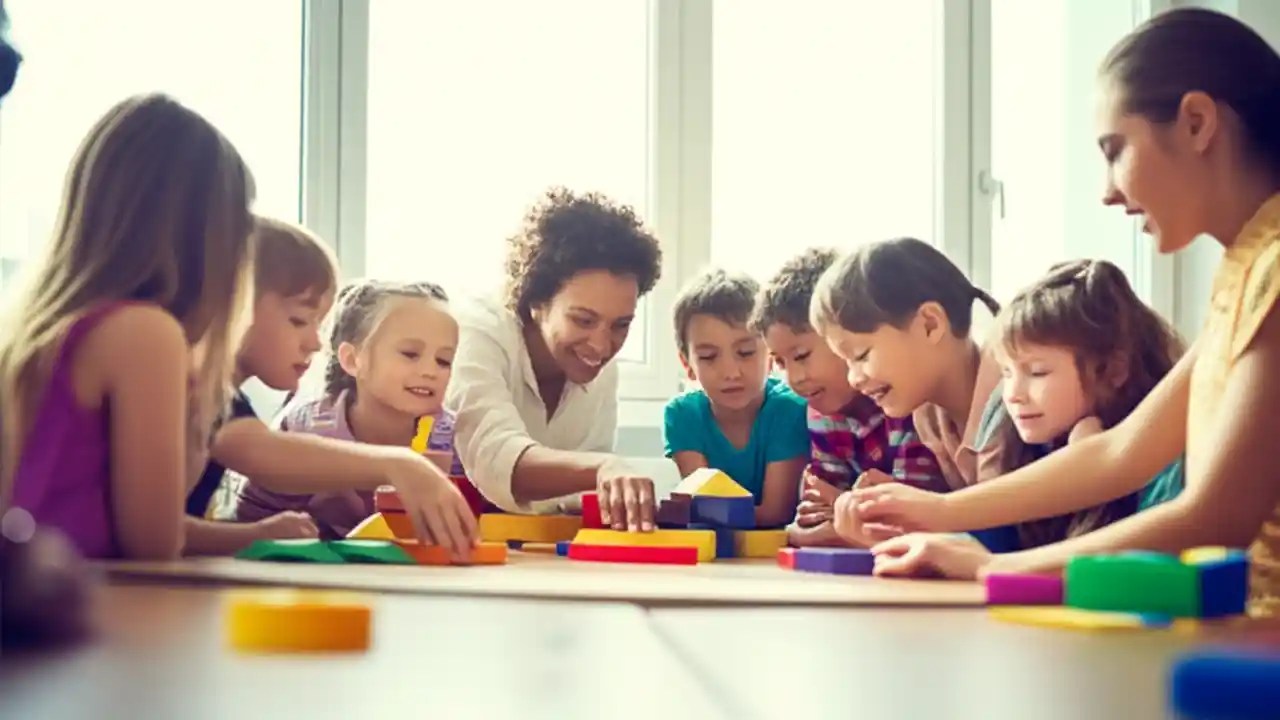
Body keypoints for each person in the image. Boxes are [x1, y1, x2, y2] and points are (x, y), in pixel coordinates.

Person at [859, 9, 1280, 619]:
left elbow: (1215, 515)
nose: (1107, 191)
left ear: (1196, 122)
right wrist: (939, 511)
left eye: (1116, 150)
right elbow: (1120, 453)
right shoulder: (1245, 271)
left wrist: (996, 567)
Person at [0, 94, 254, 560]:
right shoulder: (145, 335)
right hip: (79, 615)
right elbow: (154, 544)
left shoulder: (35, 328)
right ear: (210, 234)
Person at [446, 188, 664, 531]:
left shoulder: (602, 372)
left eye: (621, 325)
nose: (602, 346)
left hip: (525, 548)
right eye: (583, 320)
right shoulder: (476, 331)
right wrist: (603, 468)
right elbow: (494, 457)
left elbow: (578, 497)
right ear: (536, 302)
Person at [235, 280, 471, 545]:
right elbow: (253, 518)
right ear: (352, 360)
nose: (431, 371)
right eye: (410, 354)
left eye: (444, 361)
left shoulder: (459, 440)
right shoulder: (308, 429)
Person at [808, 237, 1006, 545]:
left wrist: (897, 528)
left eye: (861, 356)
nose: (853, 379)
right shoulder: (928, 415)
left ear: (929, 324)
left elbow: (1004, 533)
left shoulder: (1009, 402)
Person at [751, 248, 946, 546]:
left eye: (802, 355)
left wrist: (841, 513)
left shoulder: (905, 399)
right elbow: (815, 513)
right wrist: (837, 515)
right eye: (780, 362)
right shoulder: (821, 413)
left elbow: (910, 519)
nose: (795, 378)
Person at [663, 269, 808, 528]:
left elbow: (776, 513)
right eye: (708, 357)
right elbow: (701, 501)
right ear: (687, 364)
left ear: (771, 354)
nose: (731, 373)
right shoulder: (682, 415)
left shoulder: (791, 409)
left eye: (745, 352)